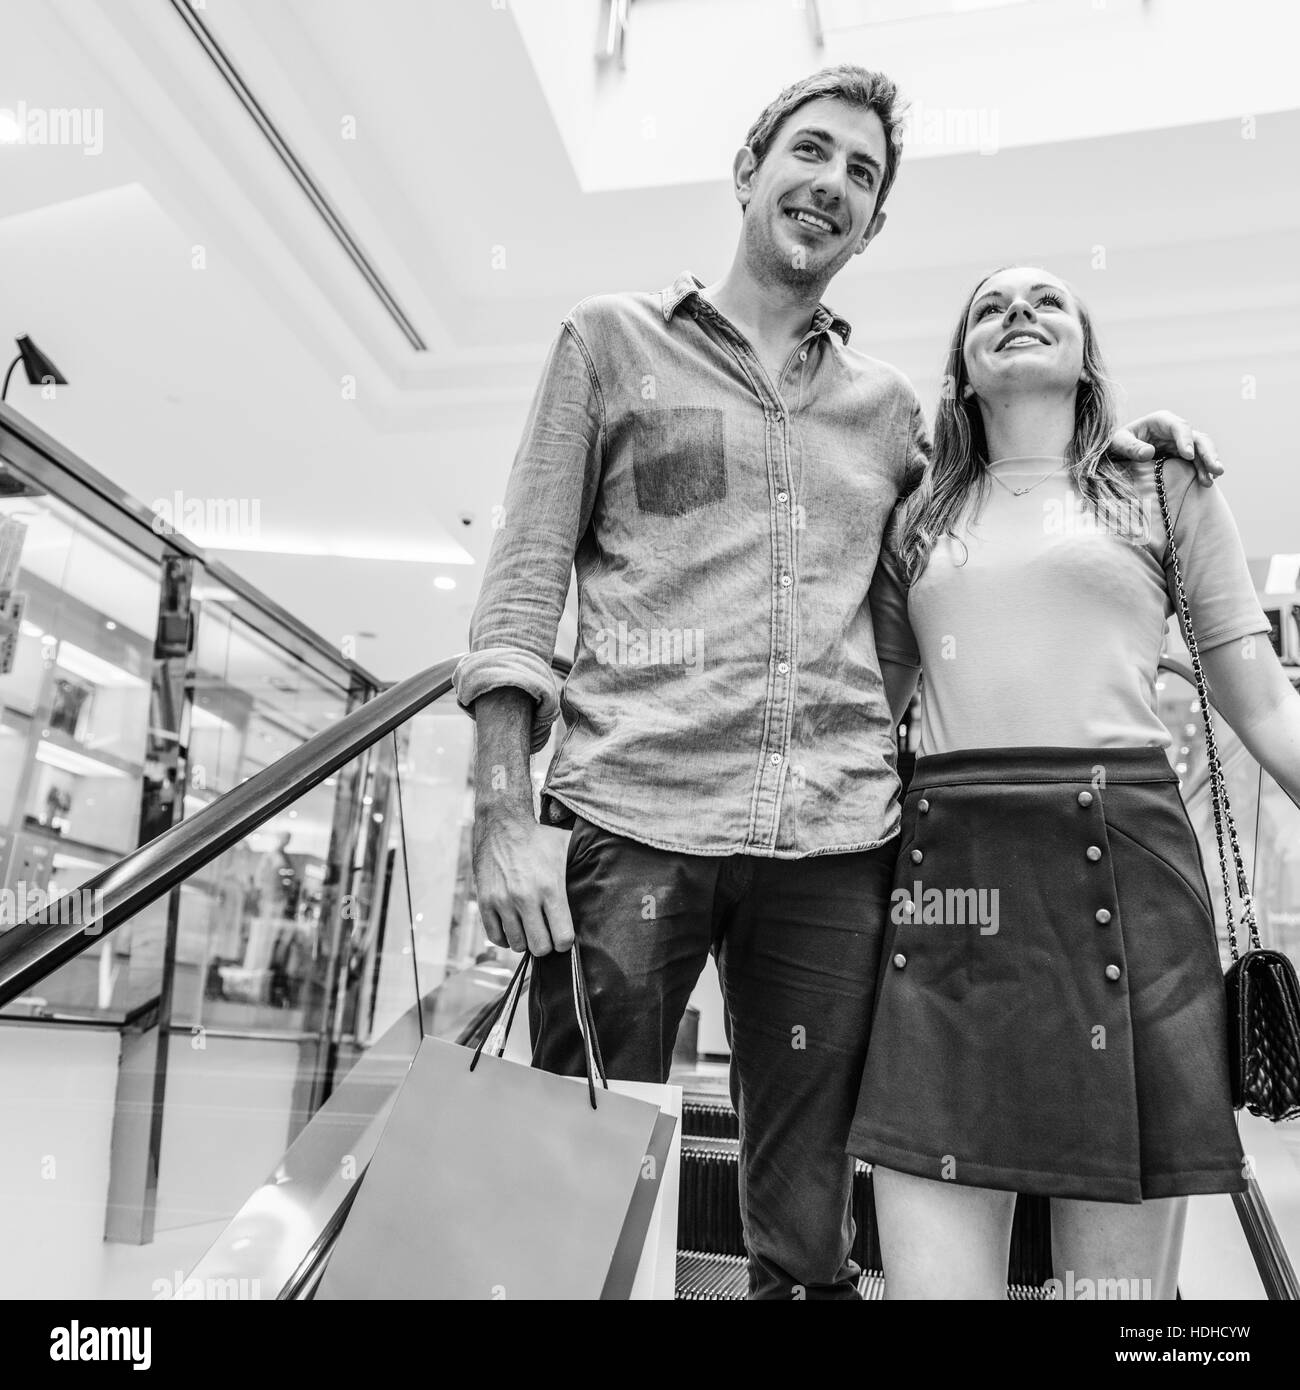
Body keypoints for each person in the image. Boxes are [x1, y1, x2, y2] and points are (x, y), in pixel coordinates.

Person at [454, 66, 1218, 1300]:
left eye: (862, 176)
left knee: (809, 1237)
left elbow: (988, 525)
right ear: (749, 168)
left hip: (834, 847)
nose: (832, 184)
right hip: (628, 819)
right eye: (811, 153)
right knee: (577, 1201)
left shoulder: (888, 415)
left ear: (873, 224)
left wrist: (1124, 448)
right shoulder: (608, 343)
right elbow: (521, 587)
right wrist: (500, 811)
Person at [849, 263, 1300, 1300]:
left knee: (1117, 1308)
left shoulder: (1161, 482)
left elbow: (1262, 699)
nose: (1017, 311)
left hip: (1128, 886)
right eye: (988, 306)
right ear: (960, 369)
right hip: (947, 890)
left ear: (1086, 355)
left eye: (1046, 300)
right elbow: (870, 712)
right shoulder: (912, 511)